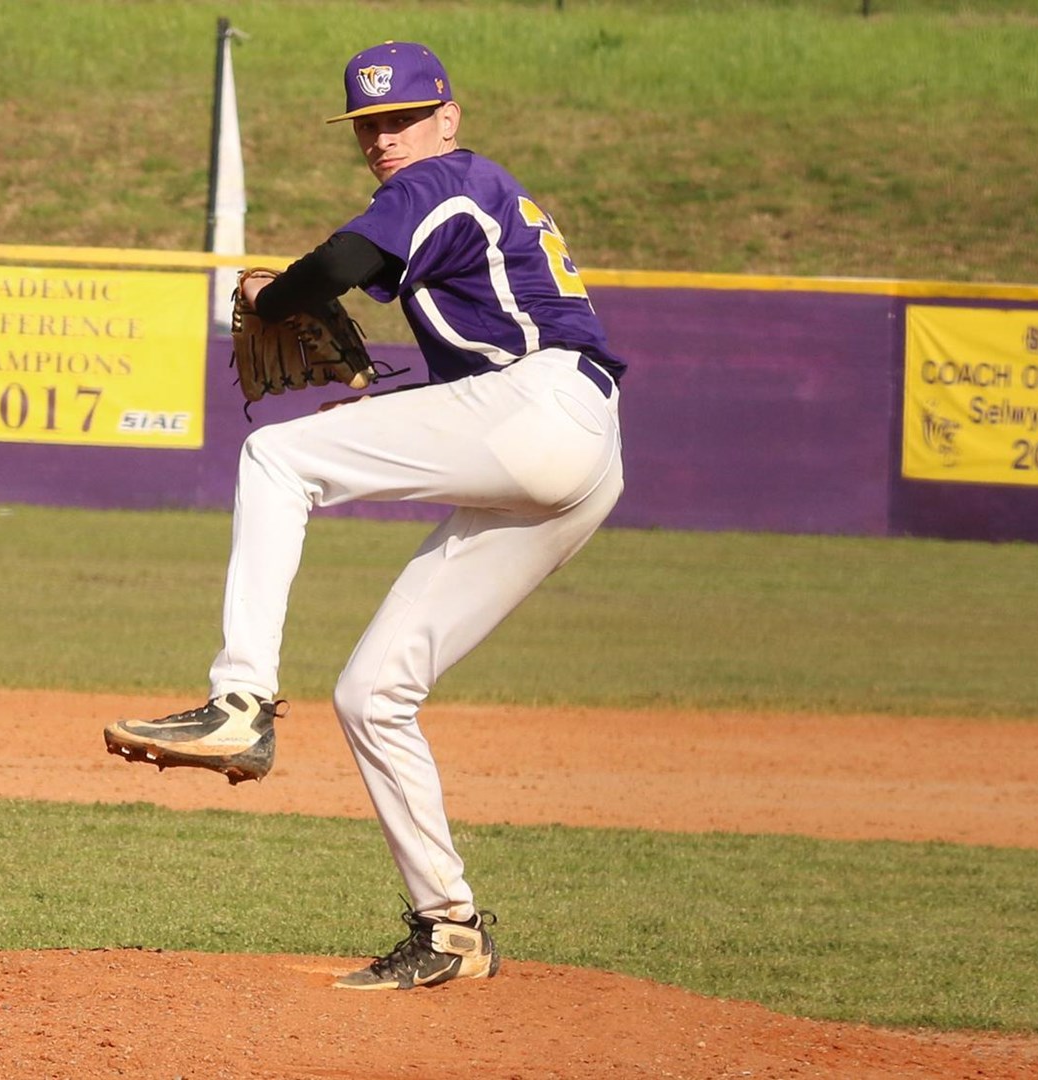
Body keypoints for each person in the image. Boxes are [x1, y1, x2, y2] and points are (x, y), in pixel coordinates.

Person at [104, 40, 625, 991]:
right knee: (372, 694)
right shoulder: (477, 197)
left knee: (274, 455)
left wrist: (274, 290)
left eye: (401, 118)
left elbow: (342, 261)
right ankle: (451, 928)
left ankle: (241, 702)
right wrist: (389, 412)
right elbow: (482, 355)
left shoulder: (450, 177)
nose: (384, 140)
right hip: (567, 447)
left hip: (543, 409)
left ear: (447, 116)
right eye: (368, 126)